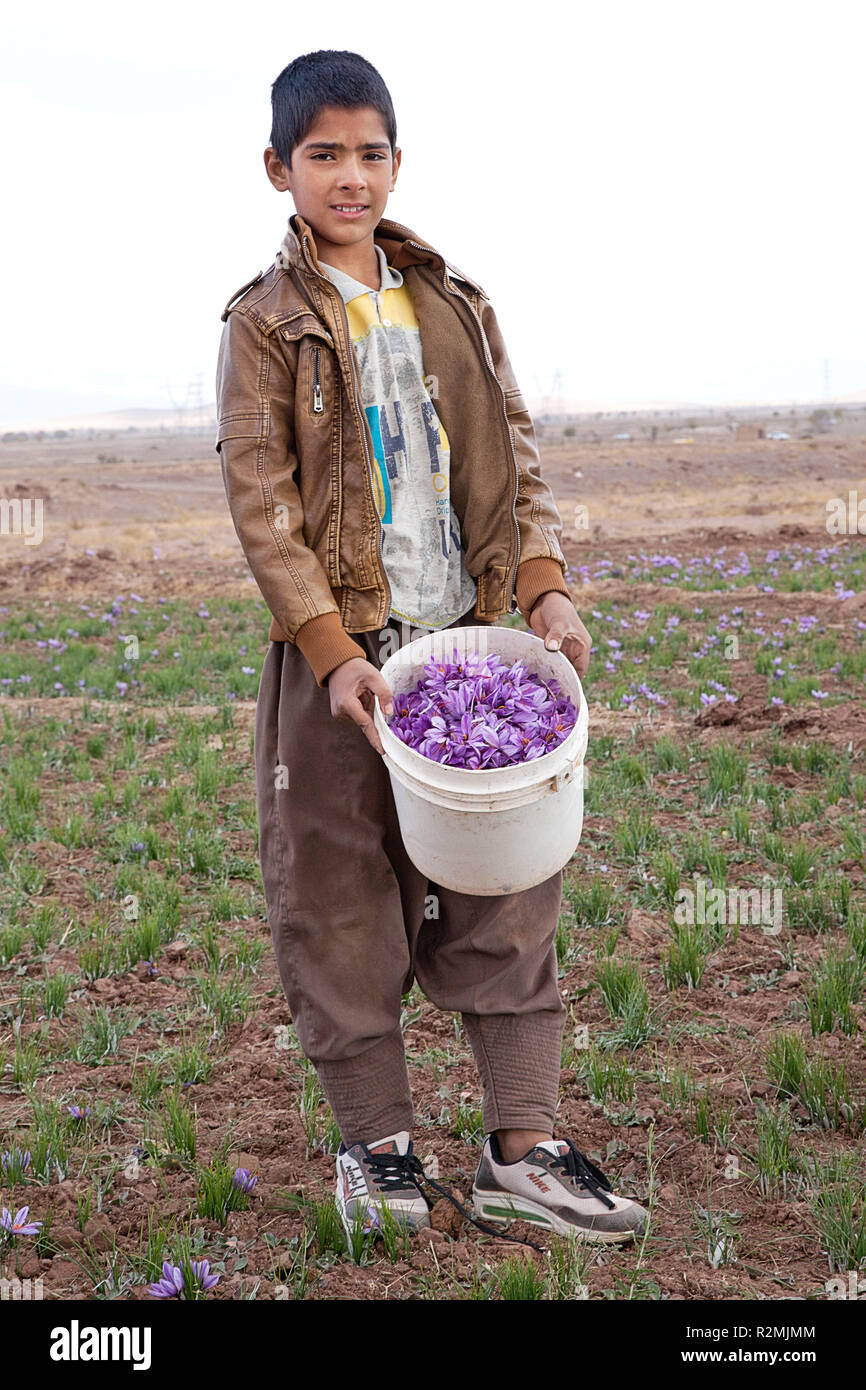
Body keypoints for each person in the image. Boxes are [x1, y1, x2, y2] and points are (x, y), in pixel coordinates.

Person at [215, 48, 646, 1246]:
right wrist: (326, 645)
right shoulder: (263, 326)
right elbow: (264, 507)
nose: (348, 177)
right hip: (341, 671)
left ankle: (522, 1145)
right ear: (278, 169)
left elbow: (511, 455)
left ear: (396, 161)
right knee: (341, 898)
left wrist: (542, 590)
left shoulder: (449, 301)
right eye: (323, 156)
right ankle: (381, 1152)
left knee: (505, 887)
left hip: (465, 643)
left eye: (368, 153)